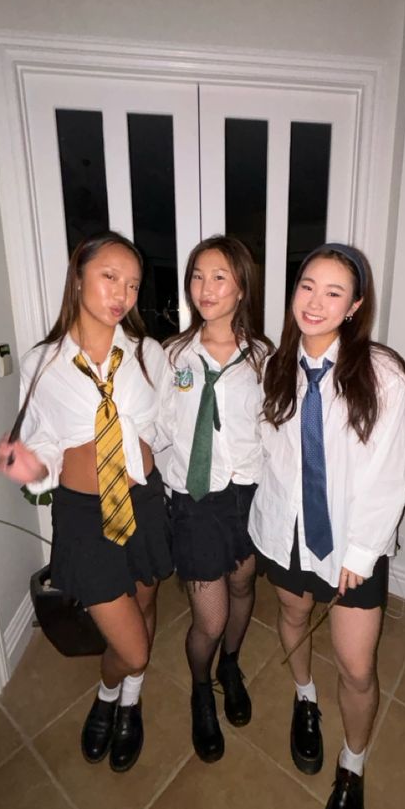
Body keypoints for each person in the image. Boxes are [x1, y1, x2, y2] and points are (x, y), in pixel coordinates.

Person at [249, 242, 405, 809]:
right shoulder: (276, 367)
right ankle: (303, 698)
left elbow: (388, 473)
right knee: (292, 619)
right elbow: (269, 456)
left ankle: (352, 766)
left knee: (358, 667)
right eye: (306, 286)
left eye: (333, 292)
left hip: (350, 545)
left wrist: (364, 549)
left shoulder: (384, 374)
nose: (314, 302)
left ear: (355, 306)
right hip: (286, 533)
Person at [0, 232, 171, 773]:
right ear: (79, 277)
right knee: (132, 646)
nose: (122, 292)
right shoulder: (43, 363)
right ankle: (110, 687)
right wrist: (28, 464)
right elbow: (44, 441)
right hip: (83, 513)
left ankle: (129, 700)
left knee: (143, 604)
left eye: (134, 284)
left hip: (143, 501)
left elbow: (163, 427)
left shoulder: (147, 353)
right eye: (110, 276)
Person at [157, 235, 271, 762]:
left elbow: (276, 430)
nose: (205, 287)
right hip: (194, 499)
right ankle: (201, 689)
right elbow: (154, 428)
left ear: (242, 286)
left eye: (219, 276)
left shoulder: (264, 358)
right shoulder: (171, 356)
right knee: (210, 617)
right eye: (197, 276)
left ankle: (231, 664)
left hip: (247, 493)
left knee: (244, 584)